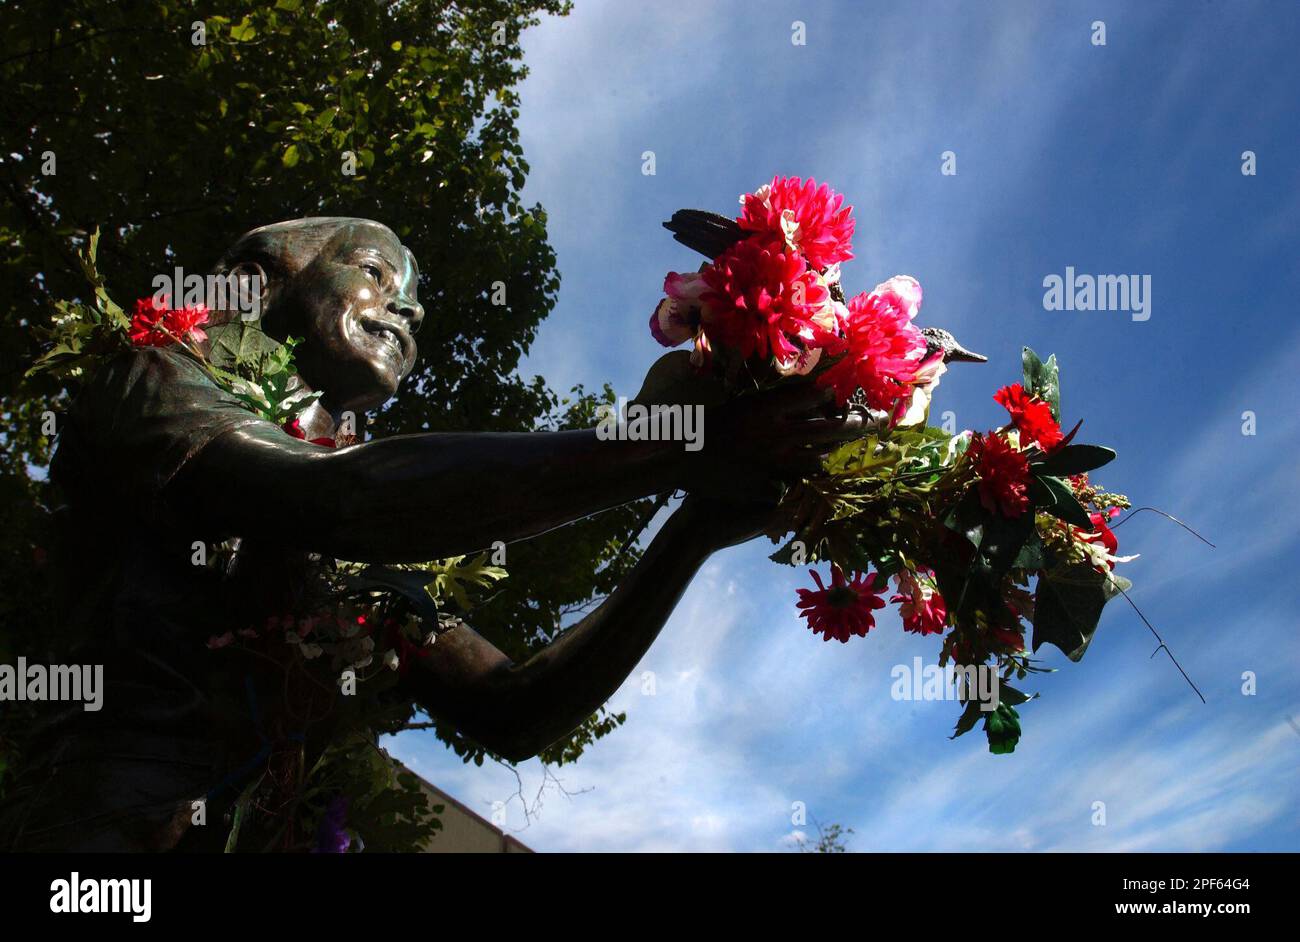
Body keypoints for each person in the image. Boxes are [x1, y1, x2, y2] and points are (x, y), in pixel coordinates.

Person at [0, 217, 861, 851]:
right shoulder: (154, 378)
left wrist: (693, 533)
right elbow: (344, 499)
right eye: (377, 271)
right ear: (263, 273)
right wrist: (670, 447)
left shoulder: (351, 550)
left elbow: (514, 710)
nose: (404, 310)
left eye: (418, 305)